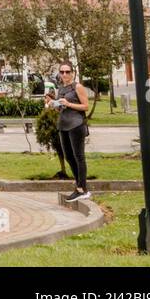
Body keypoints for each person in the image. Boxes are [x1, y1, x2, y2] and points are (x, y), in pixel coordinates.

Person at [45, 62, 90, 202]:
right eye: (62, 72)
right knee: (68, 157)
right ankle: (79, 185)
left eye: (67, 71)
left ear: (72, 72)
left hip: (76, 125)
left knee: (79, 157)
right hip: (63, 125)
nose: (64, 74)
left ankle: (81, 189)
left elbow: (85, 106)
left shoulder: (78, 87)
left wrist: (69, 103)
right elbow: (61, 108)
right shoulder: (61, 88)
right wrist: (53, 104)